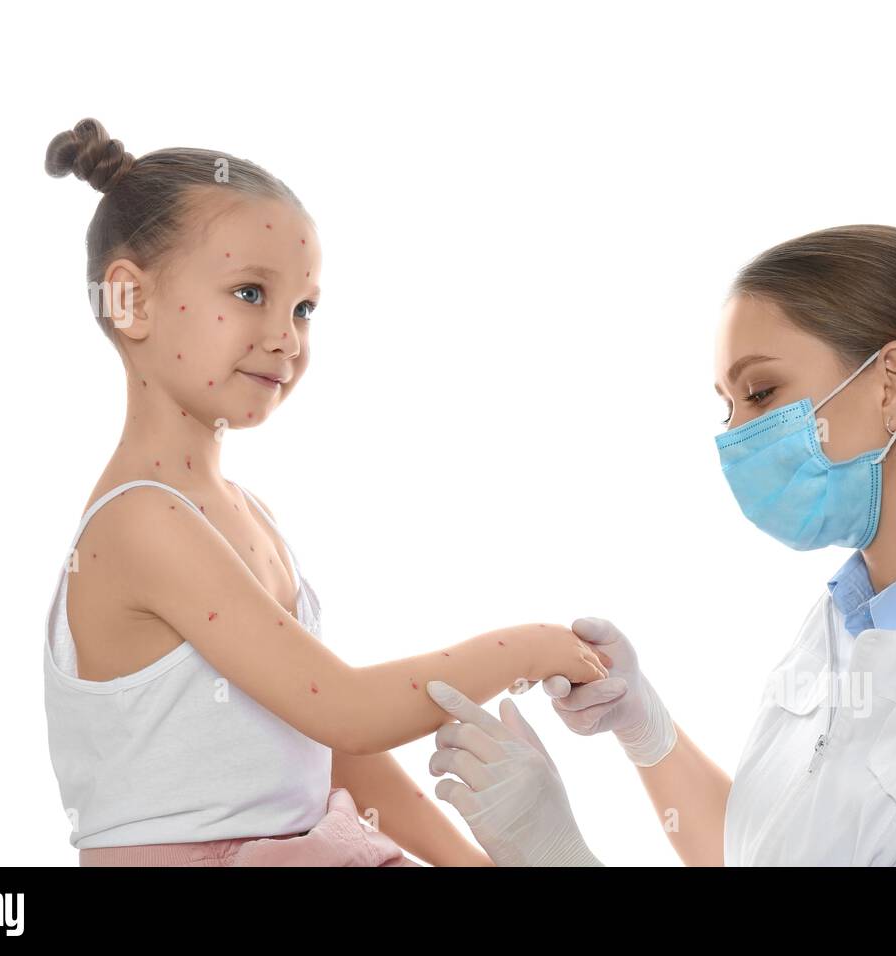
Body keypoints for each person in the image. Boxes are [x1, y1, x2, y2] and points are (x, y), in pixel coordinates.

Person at [426, 224, 896, 866]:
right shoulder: (855, 614)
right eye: (727, 404)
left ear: (892, 382)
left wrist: (561, 860)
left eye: (760, 393)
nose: (735, 435)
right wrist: (646, 731)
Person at [41, 118, 607, 867]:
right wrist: (532, 647)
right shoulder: (143, 523)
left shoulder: (251, 517)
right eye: (250, 293)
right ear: (132, 303)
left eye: (304, 309)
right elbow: (348, 709)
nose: (286, 336)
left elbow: (330, 746)